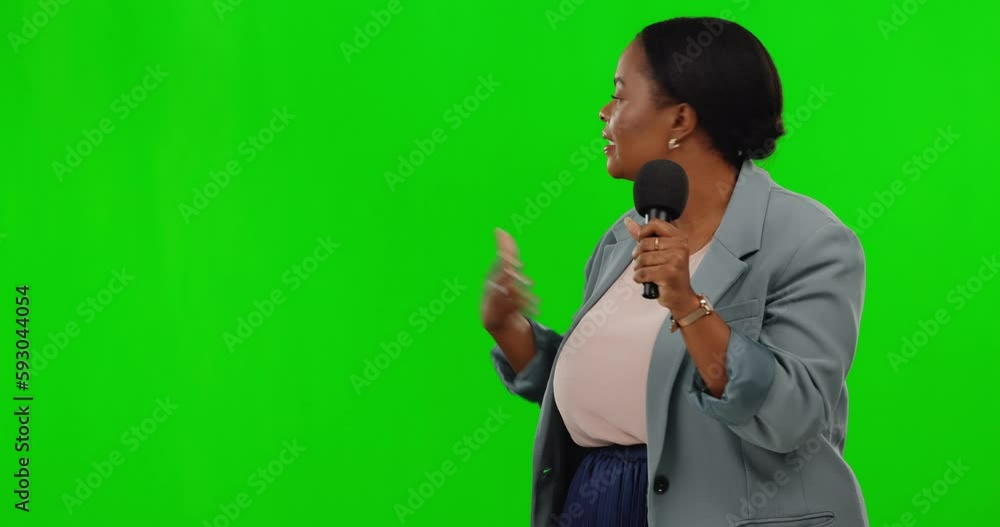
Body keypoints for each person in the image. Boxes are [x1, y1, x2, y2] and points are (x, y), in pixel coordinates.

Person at [481, 17, 868, 527]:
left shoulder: (808, 242)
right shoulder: (625, 238)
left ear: (681, 120)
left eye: (620, 96)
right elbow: (627, 383)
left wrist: (687, 304)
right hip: (596, 505)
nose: (603, 113)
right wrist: (511, 331)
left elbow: (793, 415)